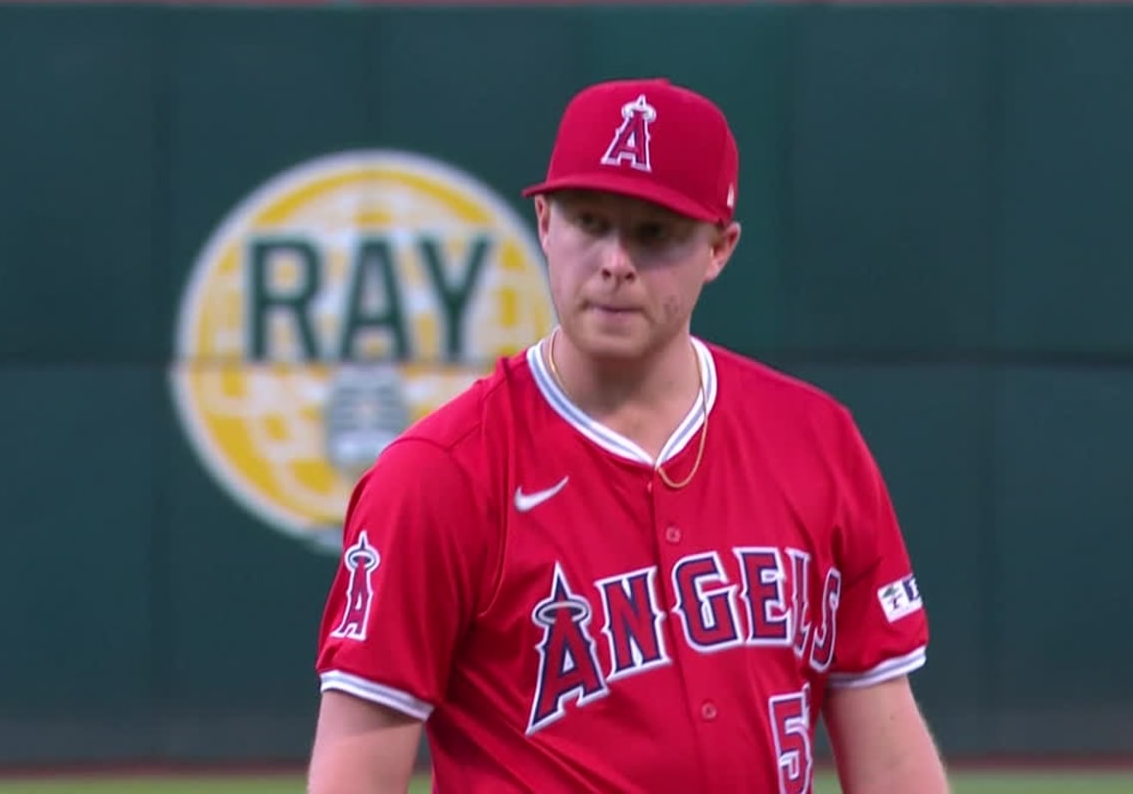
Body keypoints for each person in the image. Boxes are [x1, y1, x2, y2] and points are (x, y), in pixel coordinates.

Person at [306, 77, 950, 793]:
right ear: (545, 223)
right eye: (589, 221)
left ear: (720, 247)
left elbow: (885, 733)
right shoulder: (442, 476)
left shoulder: (816, 443)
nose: (615, 262)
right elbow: (354, 771)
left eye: (655, 233)